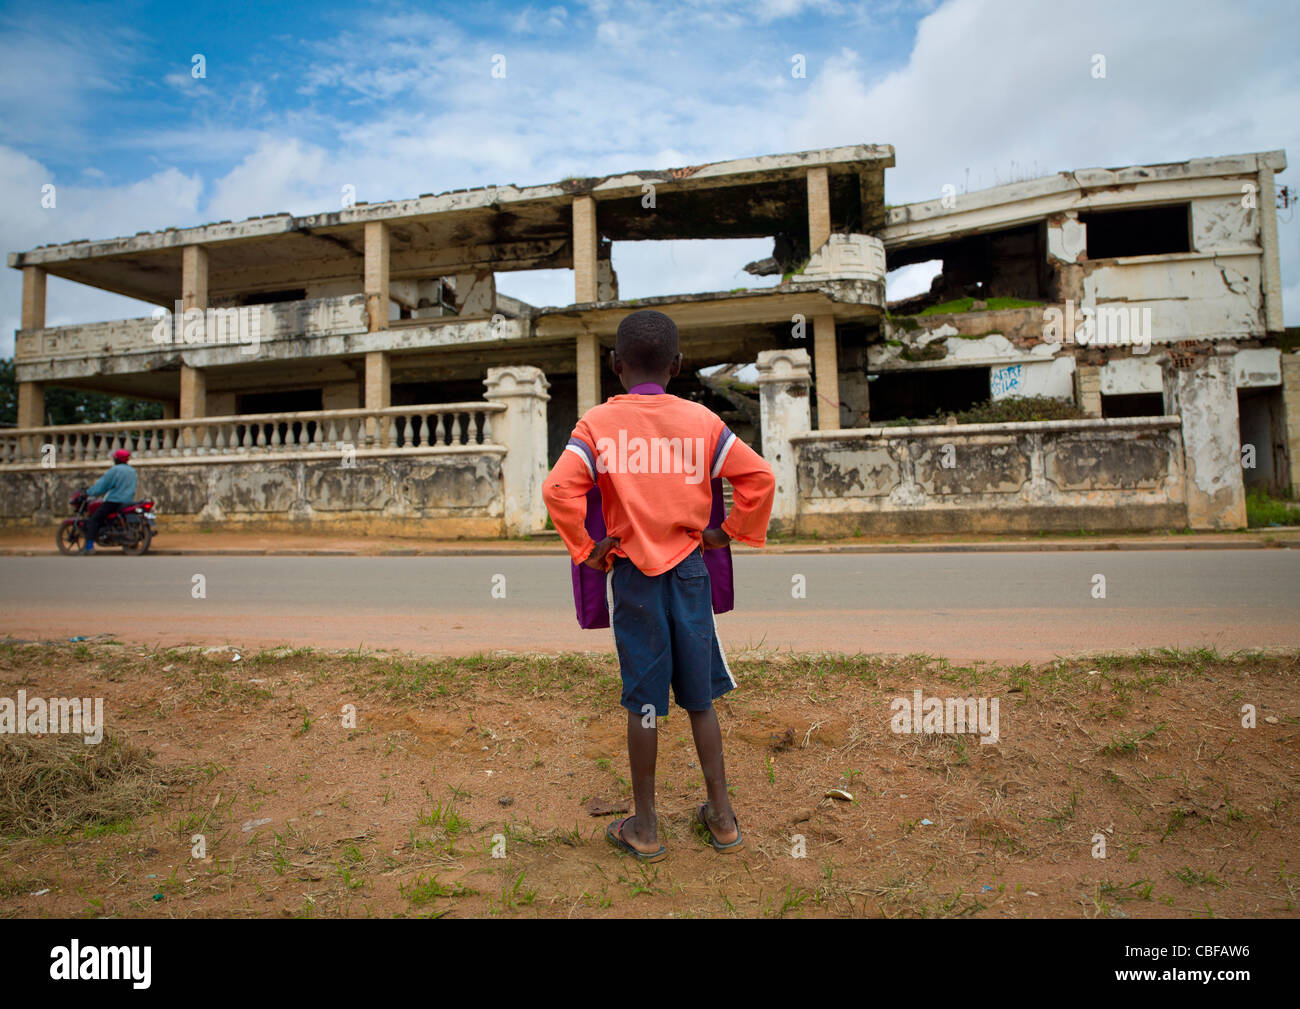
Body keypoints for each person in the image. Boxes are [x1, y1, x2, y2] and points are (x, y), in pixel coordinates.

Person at [542, 309, 775, 861]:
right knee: (701, 698)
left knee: (645, 704)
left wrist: (585, 547)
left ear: (616, 365)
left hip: (633, 577)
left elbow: (558, 490)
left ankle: (645, 828)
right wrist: (727, 531)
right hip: (690, 570)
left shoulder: (596, 425)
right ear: (677, 365)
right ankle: (721, 819)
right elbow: (759, 478)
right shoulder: (702, 421)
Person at [81, 448, 137, 554]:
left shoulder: (115, 470)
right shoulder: (132, 471)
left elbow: (103, 485)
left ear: (117, 459)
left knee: (95, 519)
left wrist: (89, 492)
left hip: (114, 501)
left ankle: (89, 546)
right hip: (128, 501)